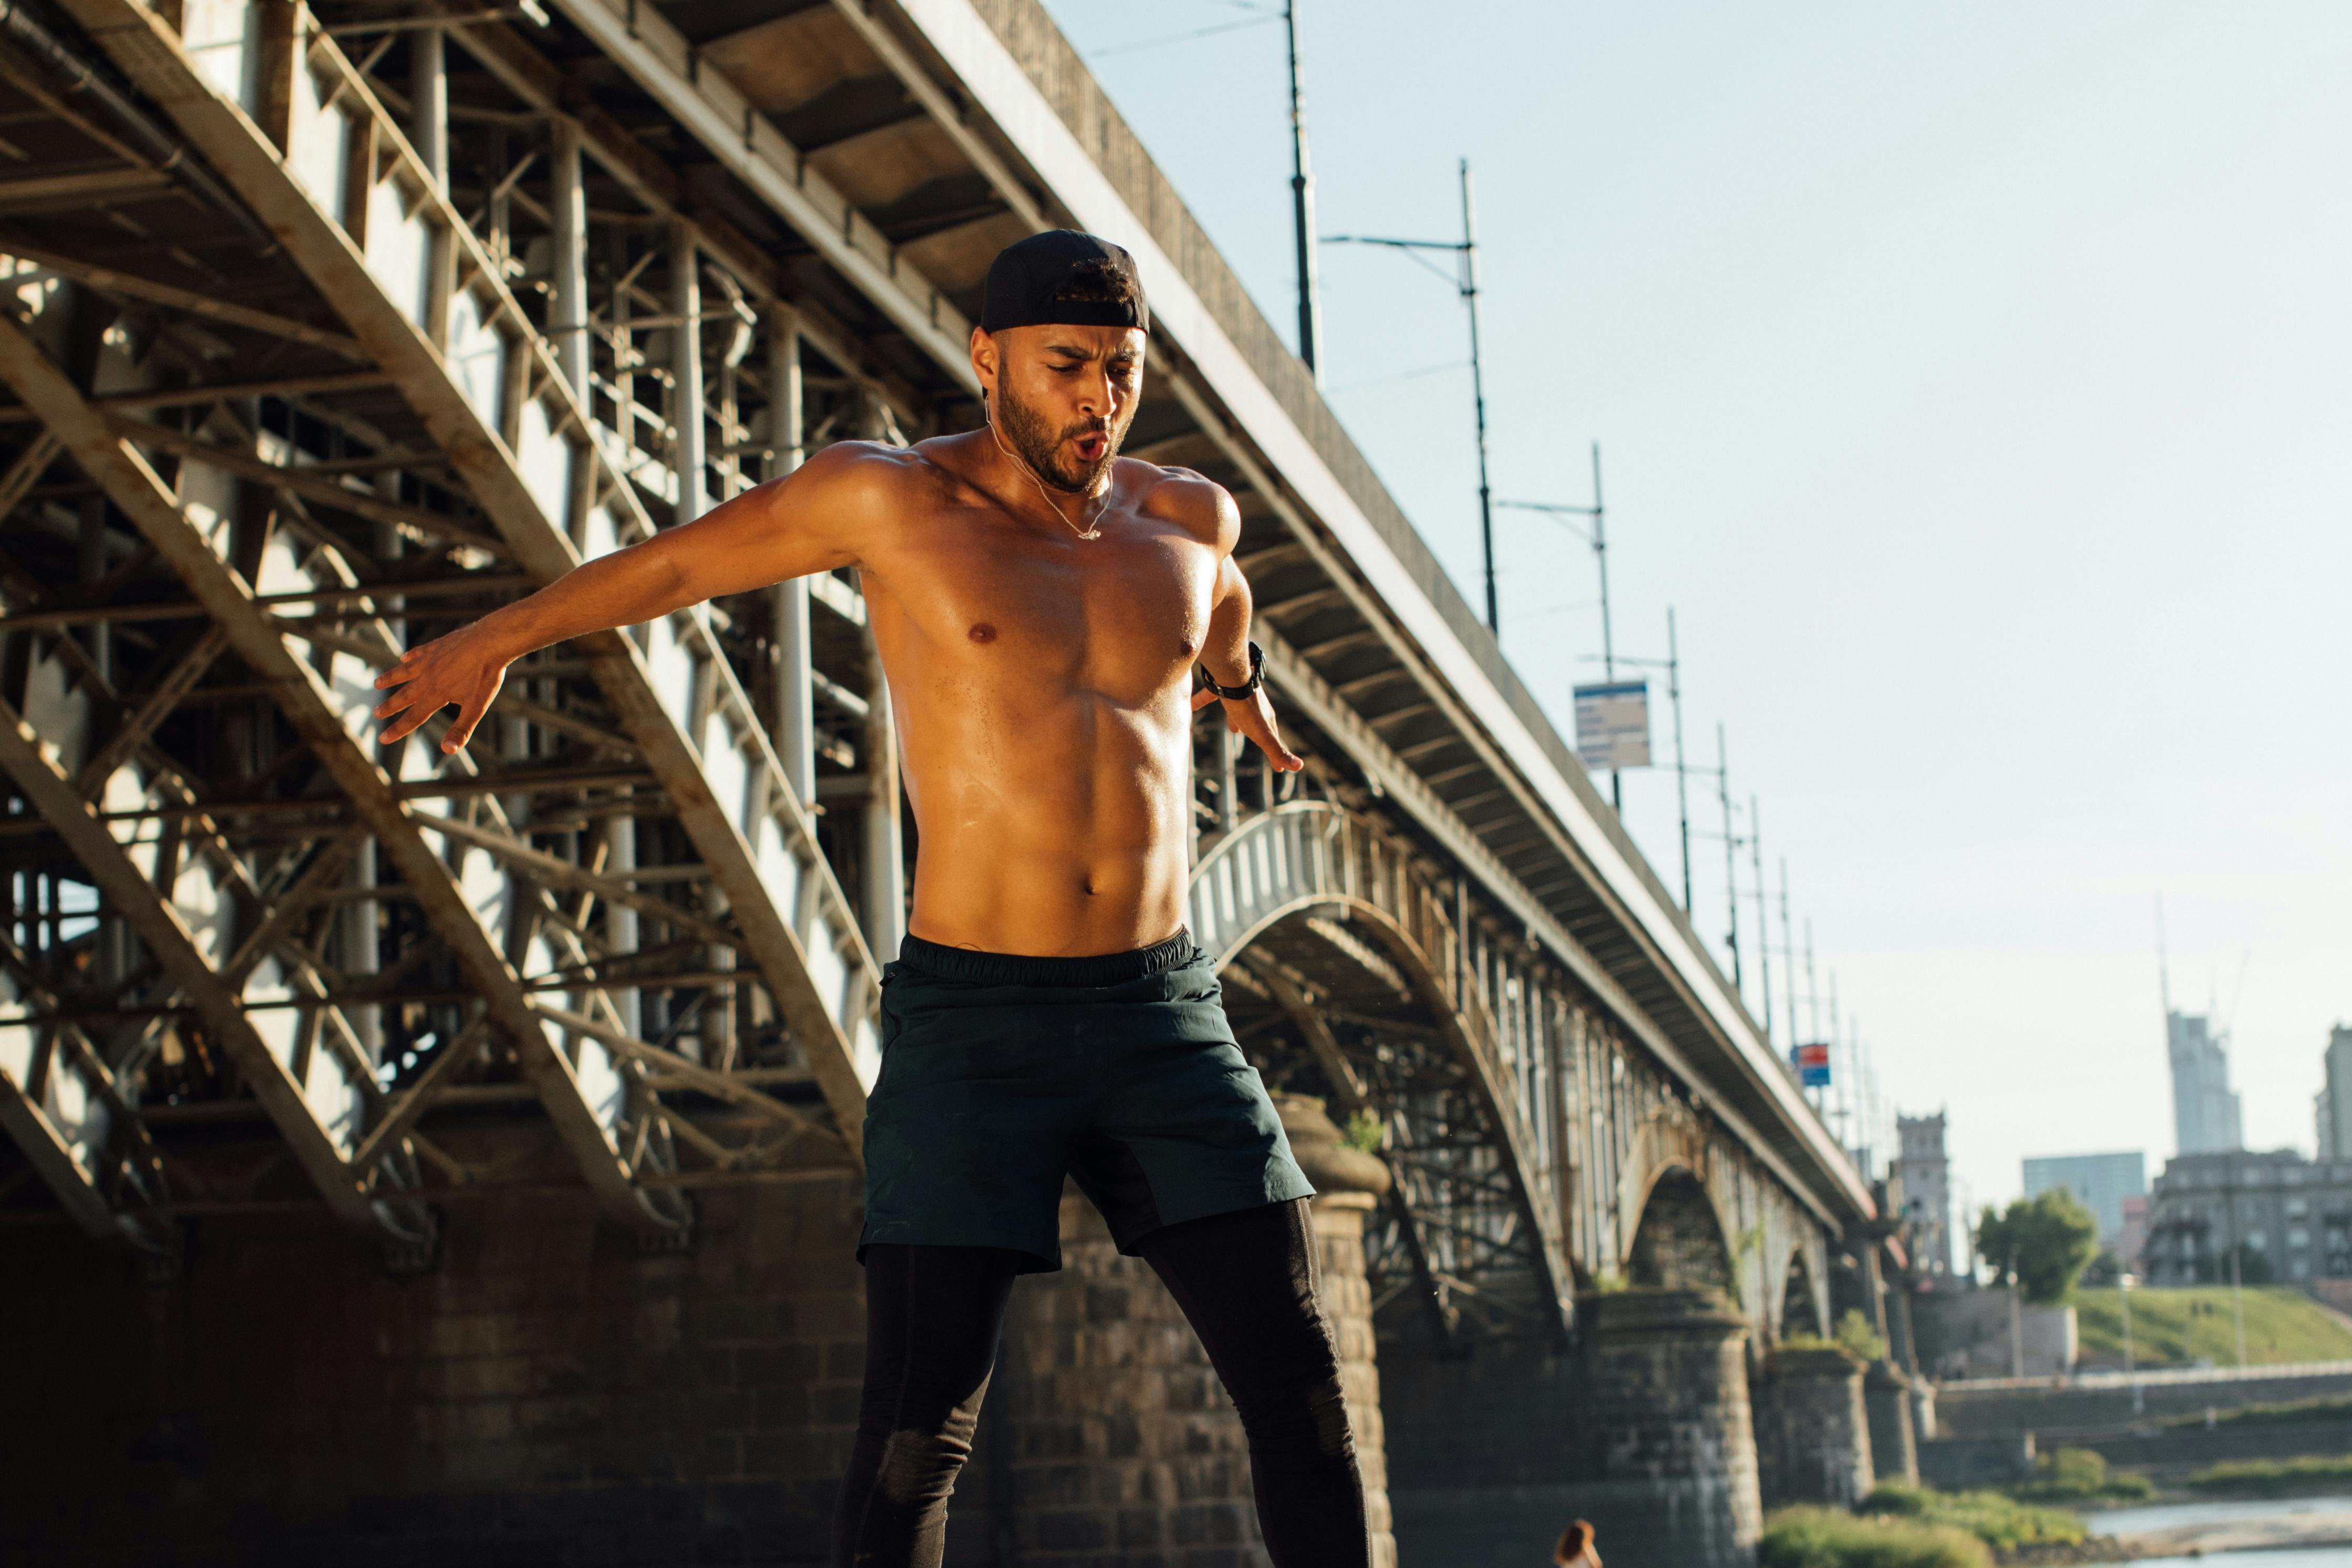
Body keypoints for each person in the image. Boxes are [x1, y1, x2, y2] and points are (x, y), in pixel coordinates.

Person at [373, 230, 1371, 1568]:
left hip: (1161, 1010)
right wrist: (495, 635)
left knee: (1301, 1393)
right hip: (977, 1022)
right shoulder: (889, 503)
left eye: (1121, 373)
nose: (1097, 400)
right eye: (1067, 365)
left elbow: (1228, 606)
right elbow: (680, 565)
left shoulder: (1187, 517)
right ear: (986, 359)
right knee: (917, 1435)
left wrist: (1239, 690)